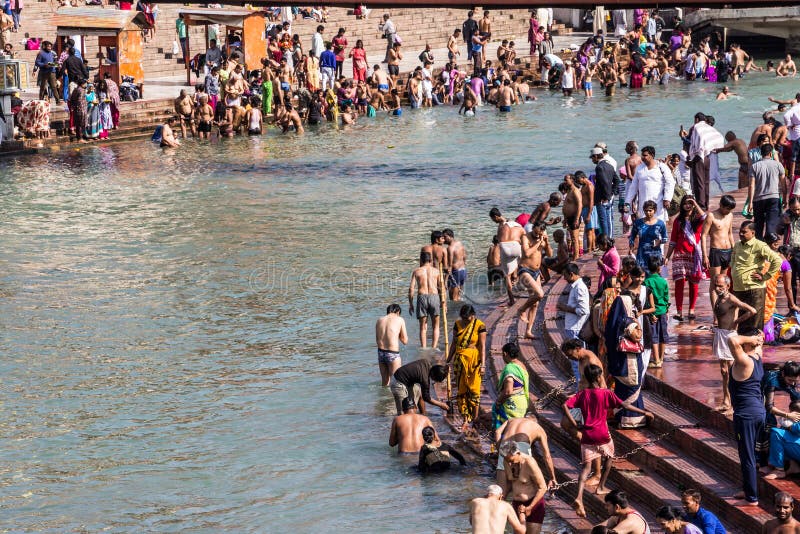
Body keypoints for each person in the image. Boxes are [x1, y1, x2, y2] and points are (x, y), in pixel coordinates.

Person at [563, 364, 653, 518]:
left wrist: (574, 424)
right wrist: (644, 412)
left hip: (587, 434)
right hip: (602, 434)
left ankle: (579, 497)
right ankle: (601, 487)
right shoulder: (606, 393)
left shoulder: (582, 394)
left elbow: (565, 405)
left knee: (586, 468)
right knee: (609, 458)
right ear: (599, 377)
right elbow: (624, 405)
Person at [605, 266, 654, 426]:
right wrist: (634, 325)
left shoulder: (615, 319)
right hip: (628, 359)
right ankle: (631, 419)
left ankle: (622, 417)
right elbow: (636, 336)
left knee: (622, 387)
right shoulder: (627, 321)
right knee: (632, 385)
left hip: (618, 358)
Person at [728, 330, 766, 505]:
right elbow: (757, 345)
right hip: (759, 412)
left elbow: (732, 340)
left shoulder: (744, 361)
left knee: (747, 456)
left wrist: (751, 338)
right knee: (751, 455)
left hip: (746, 415)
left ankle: (752, 498)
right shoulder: (758, 357)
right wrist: (758, 339)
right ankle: (747, 489)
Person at [709, 274, 756, 414]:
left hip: (729, 336)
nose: (717, 288)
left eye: (720, 286)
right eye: (716, 285)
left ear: (728, 286)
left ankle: (733, 404)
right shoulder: (719, 297)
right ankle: (726, 401)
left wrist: (737, 321)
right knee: (724, 371)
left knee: (731, 371)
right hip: (721, 334)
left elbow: (752, 310)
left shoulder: (731, 298)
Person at [731, 221, 782, 333]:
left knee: (754, 324)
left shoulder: (759, 245)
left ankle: (755, 344)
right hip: (738, 288)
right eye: (740, 231)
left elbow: (777, 260)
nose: (741, 234)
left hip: (754, 289)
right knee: (741, 323)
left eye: (744, 232)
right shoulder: (737, 244)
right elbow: (733, 260)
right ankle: (744, 343)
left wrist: (766, 276)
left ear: (753, 233)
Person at [664, 196, 706, 322]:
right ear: (681, 205)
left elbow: (705, 216)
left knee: (693, 282)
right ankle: (679, 311)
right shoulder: (678, 221)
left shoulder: (697, 219)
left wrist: (695, 203)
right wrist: (667, 256)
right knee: (679, 282)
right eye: (685, 203)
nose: (688, 206)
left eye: (690, 203)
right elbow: (673, 240)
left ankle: (691, 309)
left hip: (694, 254)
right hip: (680, 255)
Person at [446, 304, 486, 429]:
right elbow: (454, 344)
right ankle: (465, 419)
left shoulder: (480, 325)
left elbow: (482, 346)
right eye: (463, 318)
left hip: (474, 362)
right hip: (459, 362)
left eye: (467, 318)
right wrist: (448, 361)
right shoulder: (457, 324)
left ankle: (475, 418)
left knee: (474, 391)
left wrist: (483, 365)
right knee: (461, 391)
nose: (465, 320)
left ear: (472, 315)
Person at [495, 416, 556, 491]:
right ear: (535, 421)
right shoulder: (538, 427)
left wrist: (500, 451)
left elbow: (497, 432)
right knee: (524, 488)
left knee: (500, 490)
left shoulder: (511, 420)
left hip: (505, 446)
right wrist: (552, 478)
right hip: (521, 446)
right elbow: (547, 456)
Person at [500, 441, 547, 534]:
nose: (510, 464)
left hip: (533, 503)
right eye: (507, 461)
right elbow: (510, 482)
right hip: (517, 503)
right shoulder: (507, 460)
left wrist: (530, 507)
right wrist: (502, 497)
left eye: (511, 461)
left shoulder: (530, 463)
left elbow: (543, 488)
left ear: (518, 453)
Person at [702, 195, 736, 311]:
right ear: (720, 205)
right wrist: (705, 255)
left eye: (730, 209)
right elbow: (703, 236)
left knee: (724, 281)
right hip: (716, 251)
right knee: (715, 282)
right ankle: (715, 313)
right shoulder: (711, 216)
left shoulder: (730, 215)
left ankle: (723, 309)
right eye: (727, 209)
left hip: (728, 251)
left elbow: (730, 233)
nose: (728, 211)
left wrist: (734, 250)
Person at [685, 112, 724, 210]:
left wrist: (683, 137)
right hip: (707, 157)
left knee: (699, 182)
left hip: (698, 157)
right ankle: (706, 204)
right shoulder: (708, 127)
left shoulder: (696, 127)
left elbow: (692, 144)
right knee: (706, 181)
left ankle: (701, 205)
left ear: (697, 119)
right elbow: (719, 136)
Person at [748, 143, 787, 240]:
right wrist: (785, 198)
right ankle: (769, 243)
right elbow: (783, 184)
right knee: (771, 225)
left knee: (758, 226)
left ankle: (759, 244)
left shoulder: (754, 166)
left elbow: (751, 185)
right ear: (771, 154)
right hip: (774, 198)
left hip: (758, 199)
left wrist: (750, 202)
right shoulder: (778, 165)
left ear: (761, 153)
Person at [626, 145, 675, 223]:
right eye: (642, 155)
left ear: (652, 155)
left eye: (645, 155)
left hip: (658, 202)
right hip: (643, 203)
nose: (642, 157)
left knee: (658, 224)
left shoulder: (661, 167)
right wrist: (627, 201)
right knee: (644, 225)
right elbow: (633, 187)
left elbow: (670, 182)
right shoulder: (639, 168)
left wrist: (667, 199)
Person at [490, 208, 526, 305]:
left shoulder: (500, 226)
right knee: (520, 265)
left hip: (505, 247)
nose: (494, 221)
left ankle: (511, 300)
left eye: (493, 219)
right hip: (516, 246)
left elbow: (499, 240)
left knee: (507, 275)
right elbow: (524, 235)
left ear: (496, 217)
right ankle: (520, 283)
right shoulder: (517, 225)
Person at [492, 342, 532, 429]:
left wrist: (498, 403)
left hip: (512, 405)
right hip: (522, 402)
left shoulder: (509, 368)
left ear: (505, 354)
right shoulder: (521, 365)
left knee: (504, 430)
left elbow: (508, 391)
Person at [408, 251, 441, 349]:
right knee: (436, 326)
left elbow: (411, 289)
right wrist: (444, 303)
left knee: (423, 327)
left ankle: (424, 348)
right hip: (434, 296)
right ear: (430, 260)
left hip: (422, 297)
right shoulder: (436, 271)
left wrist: (411, 303)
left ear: (421, 260)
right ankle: (434, 348)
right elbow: (441, 287)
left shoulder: (416, 271)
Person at [644, 255, 669, 368]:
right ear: (659, 268)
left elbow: (645, 300)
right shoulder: (663, 281)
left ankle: (656, 360)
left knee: (654, 336)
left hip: (652, 312)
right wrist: (666, 310)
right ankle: (661, 358)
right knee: (663, 335)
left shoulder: (646, 282)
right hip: (662, 311)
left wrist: (650, 314)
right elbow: (666, 298)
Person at [375, 303, 408, 387]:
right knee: (397, 382)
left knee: (385, 383)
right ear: (398, 312)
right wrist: (397, 334)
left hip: (380, 353)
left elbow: (377, 339)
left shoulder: (379, 320)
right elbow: (405, 341)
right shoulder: (400, 319)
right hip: (393, 353)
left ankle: (384, 396)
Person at [629, 199, 668, 269]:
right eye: (646, 210)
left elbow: (665, 238)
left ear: (655, 210)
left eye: (650, 210)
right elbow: (632, 236)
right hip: (642, 254)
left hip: (655, 254)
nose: (648, 212)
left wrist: (659, 241)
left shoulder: (660, 224)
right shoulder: (638, 223)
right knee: (641, 273)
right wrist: (631, 247)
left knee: (655, 273)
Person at [591, 147, 620, 238]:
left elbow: (604, 183)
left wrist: (606, 197)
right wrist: (612, 193)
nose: (592, 160)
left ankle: (606, 241)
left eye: (592, 157)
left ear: (596, 156)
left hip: (602, 198)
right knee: (608, 220)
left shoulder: (599, 167)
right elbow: (617, 180)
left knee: (603, 221)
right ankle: (610, 239)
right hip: (609, 197)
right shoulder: (609, 165)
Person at [560, 175, 583, 259]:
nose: (564, 182)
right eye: (564, 180)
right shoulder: (569, 191)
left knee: (574, 239)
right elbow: (567, 205)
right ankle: (574, 256)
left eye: (566, 180)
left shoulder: (575, 191)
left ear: (572, 180)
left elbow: (580, 205)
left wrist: (577, 219)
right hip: (569, 218)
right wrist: (565, 219)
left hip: (574, 217)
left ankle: (576, 257)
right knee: (572, 238)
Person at [444, 229, 467, 301]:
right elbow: (464, 256)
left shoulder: (450, 248)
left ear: (450, 236)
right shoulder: (459, 243)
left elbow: (449, 266)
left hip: (455, 273)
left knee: (453, 298)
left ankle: (456, 308)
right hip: (463, 271)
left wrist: (445, 280)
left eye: (445, 237)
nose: (443, 239)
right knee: (459, 296)